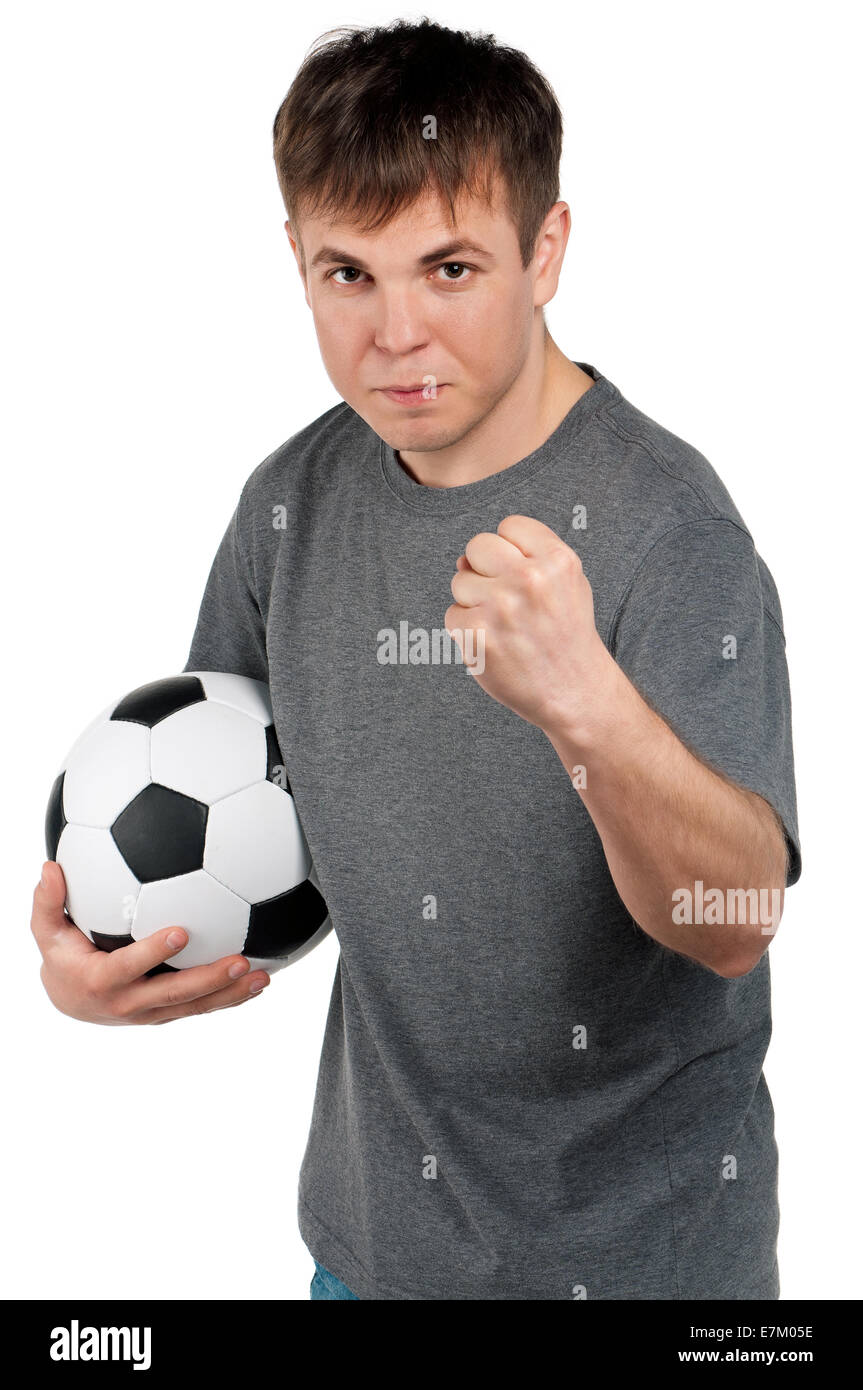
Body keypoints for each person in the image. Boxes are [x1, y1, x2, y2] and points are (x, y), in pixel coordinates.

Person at [32, 19, 801, 1301]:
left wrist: (588, 713)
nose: (395, 336)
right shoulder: (289, 506)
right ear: (294, 259)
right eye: (348, 274)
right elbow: (238, 820)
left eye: (448, 267)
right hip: (373, 1257)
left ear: (545, 251)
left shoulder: (672, 534)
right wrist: (105, 967)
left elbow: (733, 922)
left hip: (647, 1276)